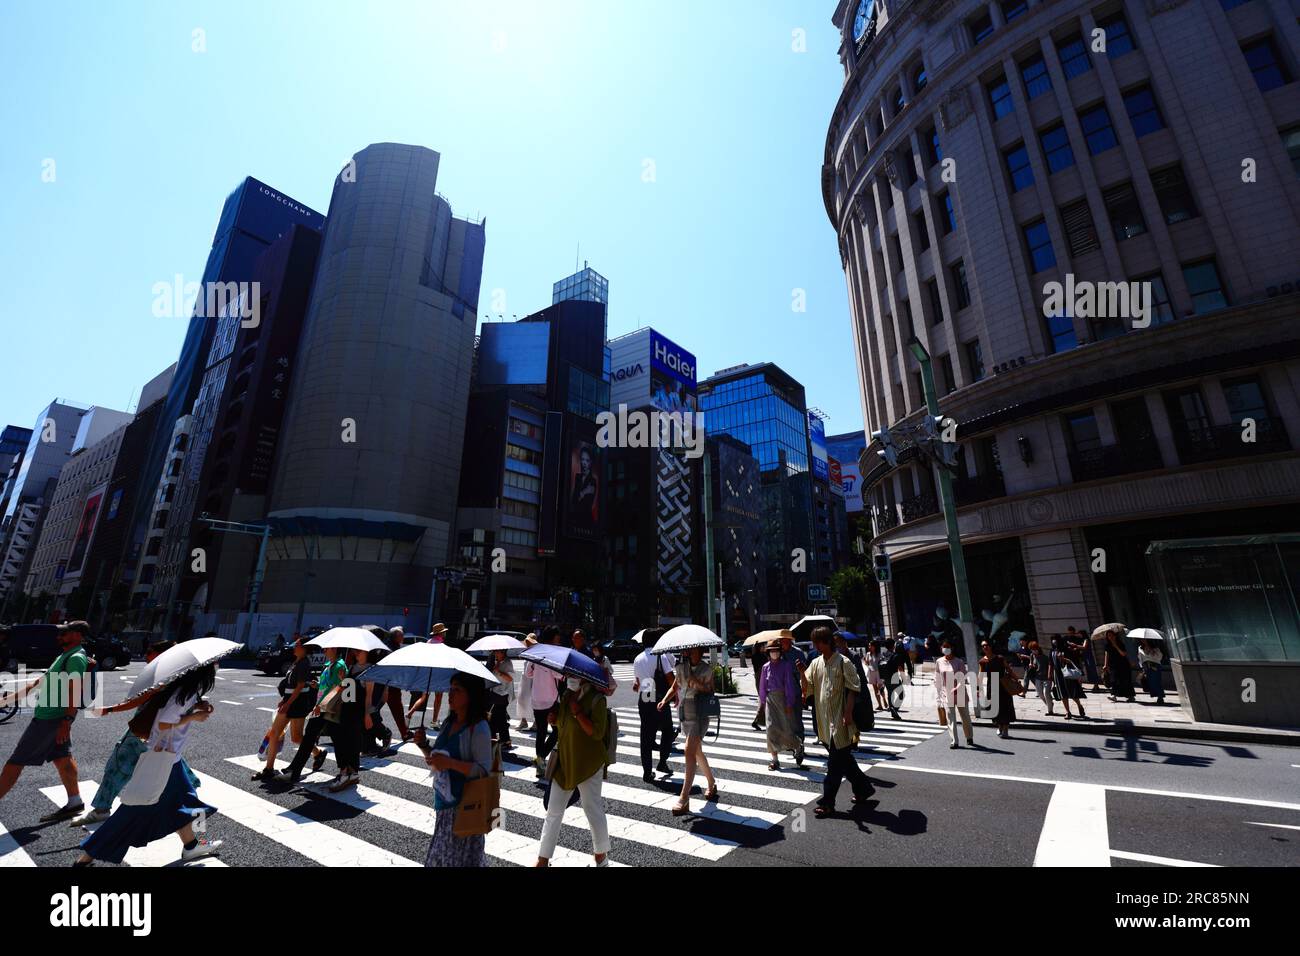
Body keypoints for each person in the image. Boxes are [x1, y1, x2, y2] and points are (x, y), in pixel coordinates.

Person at [74, 665, 221, 866]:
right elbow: (163, 724)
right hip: (165, 761)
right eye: (214, 668)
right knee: (132, 812)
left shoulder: (181, 691)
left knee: (185, 801)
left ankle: (192, 845)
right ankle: (87, 855)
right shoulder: (183, 694)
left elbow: (169, 713)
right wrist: (193, 716)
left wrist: (197, 707)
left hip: (168, 759)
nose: (216, 669)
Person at [69, 641, 174, 825]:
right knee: (169, 771)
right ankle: (187, 803)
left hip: (143, 731)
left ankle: (102, 809)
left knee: (116, 768)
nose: (146, 658)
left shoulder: (162, 676)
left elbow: (137, 700)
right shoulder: (179, 676)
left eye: (150, 652)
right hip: (163, 734)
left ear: (160, 655)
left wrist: (108, 709)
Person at [0, 622, 90, 820]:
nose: (58, 636)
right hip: (51, 718)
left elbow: (75, 692)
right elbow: (36, 684)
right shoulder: (63, 657)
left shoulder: (75, 658)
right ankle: (75, 802)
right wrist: (3, 701)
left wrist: (66, 721)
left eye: (63, 633)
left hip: (51, 720)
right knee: (62, 758)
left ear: (76, 635)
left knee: (16, 761)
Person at [413, 673, 492, 867]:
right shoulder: (448, 723)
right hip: (444, 806)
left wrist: (450, 764)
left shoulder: (479, 728)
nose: (450, 694)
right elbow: (436, 761)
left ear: (471, 695)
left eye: (457, 690)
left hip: (466, 808)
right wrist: (423, 745)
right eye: (450, 688)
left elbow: (483, 770)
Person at [536, 670, 611, 866]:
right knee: (553, 809)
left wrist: (577, 711)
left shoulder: (597, 700)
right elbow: (562, 726)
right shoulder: (566, 696)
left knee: (592, 808)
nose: (570, 678)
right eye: (568, 674)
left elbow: (596, 733)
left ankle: (601, 857)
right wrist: (554, 720)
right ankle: (543, 859)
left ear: (585, 677)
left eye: (574, 675)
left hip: (589, 763)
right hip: (566, 761)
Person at [800, 626, 871, 817]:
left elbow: (854, 688)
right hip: (824, 720)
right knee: (845, 761)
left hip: (841, 721)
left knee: (834, 765)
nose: (815, 646)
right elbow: (808, 688)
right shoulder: (815, 663)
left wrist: (848, 713)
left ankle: (827, 802)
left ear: (826, 642)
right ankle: (863, 788)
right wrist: (801, 673)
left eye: (817, 642)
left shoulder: (843, 662)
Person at [277, 646, 347, 784]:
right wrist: (318, 685)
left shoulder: (339, 666)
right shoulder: (328, 665)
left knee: (337, 739)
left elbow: (338, 689)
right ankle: (294, 770)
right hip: (321, 707)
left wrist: (320, 705)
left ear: (335, 649)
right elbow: (327, 685)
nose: (324, 651)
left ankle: (346, 770)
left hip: (329, 708)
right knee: (309, 737)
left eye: (327, 649)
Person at [662, 646, 717, 816]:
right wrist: (664, 701)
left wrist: (698, 683)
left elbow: (711, 691)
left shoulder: (706, 669)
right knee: (696, 751)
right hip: (685, 713)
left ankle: (684, 797)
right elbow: (675, 687)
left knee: (688, 751)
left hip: (700, 714)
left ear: (700, 652)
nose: (688, 652)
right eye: (687, 650)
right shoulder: (680, 668)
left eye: (692, 650)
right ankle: (711, 783)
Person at [253, 637, 316, 781]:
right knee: (275, 733)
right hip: (290, 700)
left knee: (296, 737)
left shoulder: (304, 663)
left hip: (298, 702)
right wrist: (284, 700)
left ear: (304, 648)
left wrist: (288, 703)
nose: (294, 647)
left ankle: (317, 753)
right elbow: (291, 685)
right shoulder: (297, 662)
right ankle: (269, 769)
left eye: (297, 645)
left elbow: (300, 686)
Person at [632, 634, 676, 781]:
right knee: (668, 731)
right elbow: (670, 679)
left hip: (645, 697)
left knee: (646, 735)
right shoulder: (660, 656)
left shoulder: (637, 658)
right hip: (660, 698)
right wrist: (676, 694)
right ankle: (662, 762)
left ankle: (647, 771)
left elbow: (638, 682)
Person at [759, 639, 804, 770]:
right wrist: (762, 703)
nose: (774, 653)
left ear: (780, 652)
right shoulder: (765, 667)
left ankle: (798, 746)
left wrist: (789, 703)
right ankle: (774, 759)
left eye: (777, 651)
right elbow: (762, 686)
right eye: (772, 651)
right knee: (771, 728)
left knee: (786, 728)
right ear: (768, 652)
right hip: (770, 700)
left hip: (783, 699)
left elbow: (789, 685)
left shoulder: (786, 665)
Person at [527, 626, 563, 777]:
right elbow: (558, 675)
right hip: (551, 700)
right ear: (553, 637)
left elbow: (528, 673)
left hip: (537, 699)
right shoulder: (552, 653)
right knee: (557, 731)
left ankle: (539, 767)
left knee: (541, 732)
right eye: (557, 637)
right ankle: (541, 757)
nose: (559, 639)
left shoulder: (536, 652)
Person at [934, 638, 974, 748]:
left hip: (959, 692)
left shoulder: (959, 662)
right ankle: (954, 741)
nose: (945, 649)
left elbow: (963, 678)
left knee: (965, 717)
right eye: (944, 647)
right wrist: (939, 694)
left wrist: (957, 687)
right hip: (947, 693)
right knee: (951, 718)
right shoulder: (939, 661)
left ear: (952, 648)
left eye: (948, 647)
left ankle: (969, 737)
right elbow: (937, 678)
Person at [979, 640, 1017, 739]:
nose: (985, 647)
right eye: (983, 646)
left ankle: (1006, 730)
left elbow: (1008, 669)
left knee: (1005, 707)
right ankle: (999, 726)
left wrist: (1016, 680)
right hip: (992, 685)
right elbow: (981, 675)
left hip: (1003, 684)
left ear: (991, 646)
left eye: (987, 645)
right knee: (994, 708)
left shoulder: (1000, 658)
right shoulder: (983, 661)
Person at [1050, 635, 1088, 719]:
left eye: (1055, 639)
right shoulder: (1052, 650)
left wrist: (1063, 659)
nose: (1054, 641)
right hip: (1057, 674)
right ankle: (1067, 712)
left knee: (1071, 692)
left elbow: (1071, 660)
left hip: (1067, 673)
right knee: (1062, 694)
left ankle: (1079, 705)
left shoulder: (1065, 649)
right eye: (1052, 640)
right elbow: (1051, 663)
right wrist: (1049, 674)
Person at [487, 648, 515, 751]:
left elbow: (510, 678)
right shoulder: (496, 661)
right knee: (496, 717)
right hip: (495, 692)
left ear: (502, 652)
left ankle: (505, 741)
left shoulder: (507, 663)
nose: (494, 653)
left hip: (503, 693)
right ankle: (500, 739)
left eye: (496, 651)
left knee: (499, 717)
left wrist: (498, 671)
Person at [1103, 629, 1135, 703]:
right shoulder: (1107, 645)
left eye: (1111, 635)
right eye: (1108, 636)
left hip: (1123, 664)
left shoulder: (1120, 643)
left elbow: (1123, 654)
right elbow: (1106, 655)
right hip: (1113, 665)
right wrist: (1105, 664)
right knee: (1114, 680)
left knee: (1126, 680)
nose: (1110, 637)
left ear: (1115, 636)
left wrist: (1116, 646)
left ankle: (1131, 696)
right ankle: (1114, 695)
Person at [1066, 625, 1101, 693]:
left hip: (1089, 657)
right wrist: (1074, 648)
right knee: (1089, 671)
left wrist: (1074, 645)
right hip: (1085, 657)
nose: (1078, 635)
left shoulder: (1086, 640)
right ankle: (1095, 685)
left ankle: (1096, 685)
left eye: (1079, 634)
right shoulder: (1082, 640)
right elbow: (1081, 648)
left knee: (1092, 670)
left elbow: (1084, 647)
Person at [1024, 640, 1054, 716]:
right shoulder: (1032, 655)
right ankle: (1050, 704)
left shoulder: (1045, 657)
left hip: (1046, 678)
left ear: (1038, 649)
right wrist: (1031, 665)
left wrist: (1050, 676)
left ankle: (1050, 711)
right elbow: (1031, 663)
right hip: (1037, 677)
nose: (1033, 651)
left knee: (1046, 693)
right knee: (1040, 694)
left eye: (1034, 649)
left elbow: (1050, 666)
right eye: (1032, 650)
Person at [515, 634, 536, 732]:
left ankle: (536, 722)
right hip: (525, 678)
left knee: (535, 700)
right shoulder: (525, 651)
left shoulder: (537, 652)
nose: (527, 643)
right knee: (522, 699)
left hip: (534, 679)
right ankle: (523, 721)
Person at [865, 640, 887, 711]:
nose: (869, 647)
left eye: (870, 645)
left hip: (879, 672)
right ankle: (879, 705)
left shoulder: (879, 654)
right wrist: (867, 663)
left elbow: (883, 663)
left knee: (880, 688)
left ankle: (884, 699)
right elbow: (867, 663)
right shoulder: (868, 654)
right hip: (872, 672)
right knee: (875, 689)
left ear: (874, 646)